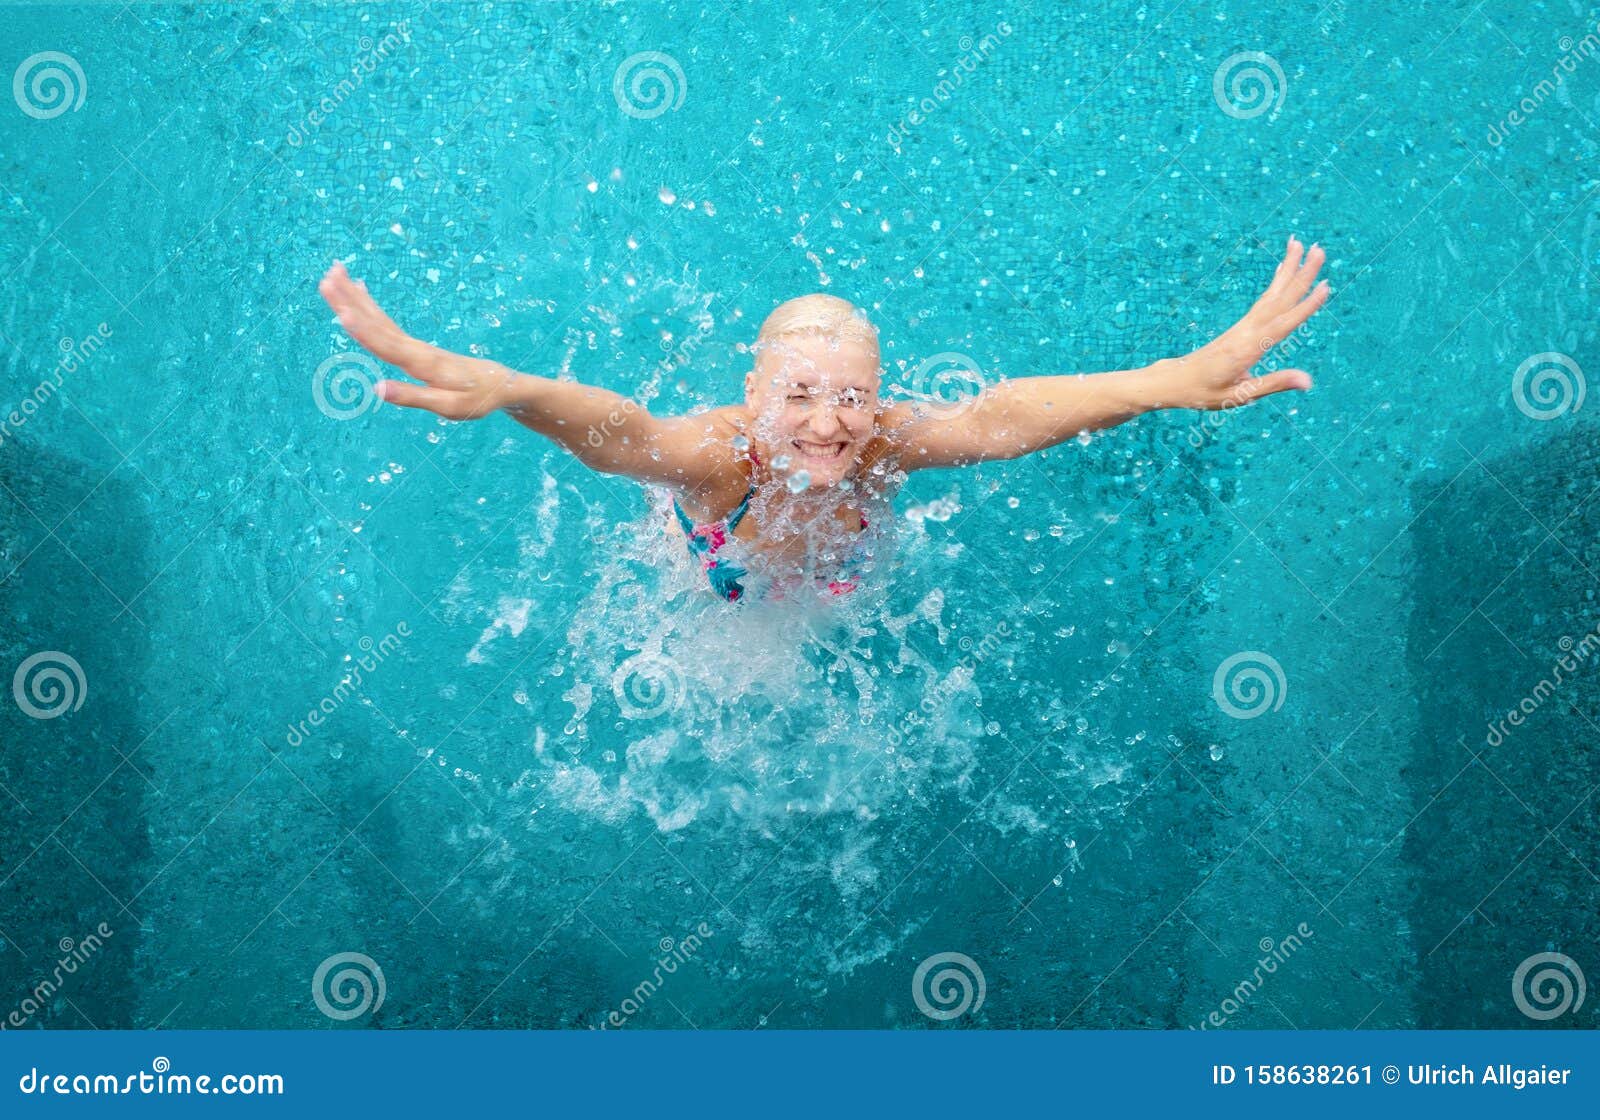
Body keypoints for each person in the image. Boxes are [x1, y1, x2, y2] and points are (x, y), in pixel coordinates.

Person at [318, 236, 1328, 601]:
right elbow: (622, 434)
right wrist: (513, 391)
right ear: (755, 397)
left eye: (849, 396)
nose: (828, 425)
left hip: (841, 572)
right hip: (719, 585)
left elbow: (1001, 415)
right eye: (798, 396)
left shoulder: (885, 438)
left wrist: (1165, 378)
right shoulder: (722, 456)